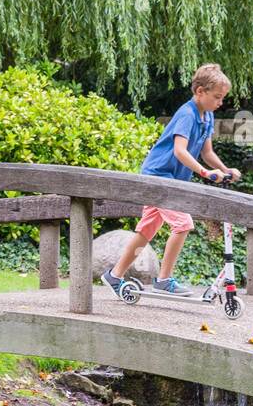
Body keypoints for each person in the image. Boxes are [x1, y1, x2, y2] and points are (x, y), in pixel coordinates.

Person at [102, 62, 240, 299]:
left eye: (222, 98)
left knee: (146, 230)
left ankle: (114, 275)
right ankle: (164, 280)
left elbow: (207, 152)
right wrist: (205, 173)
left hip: (171, 180)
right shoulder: (187, 114)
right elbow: (180, 151)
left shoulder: (207, 117)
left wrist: (225, 169)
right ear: (200, 92)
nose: (220, 102)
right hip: (158, 177)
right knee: (183, 224)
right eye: (217, 97)